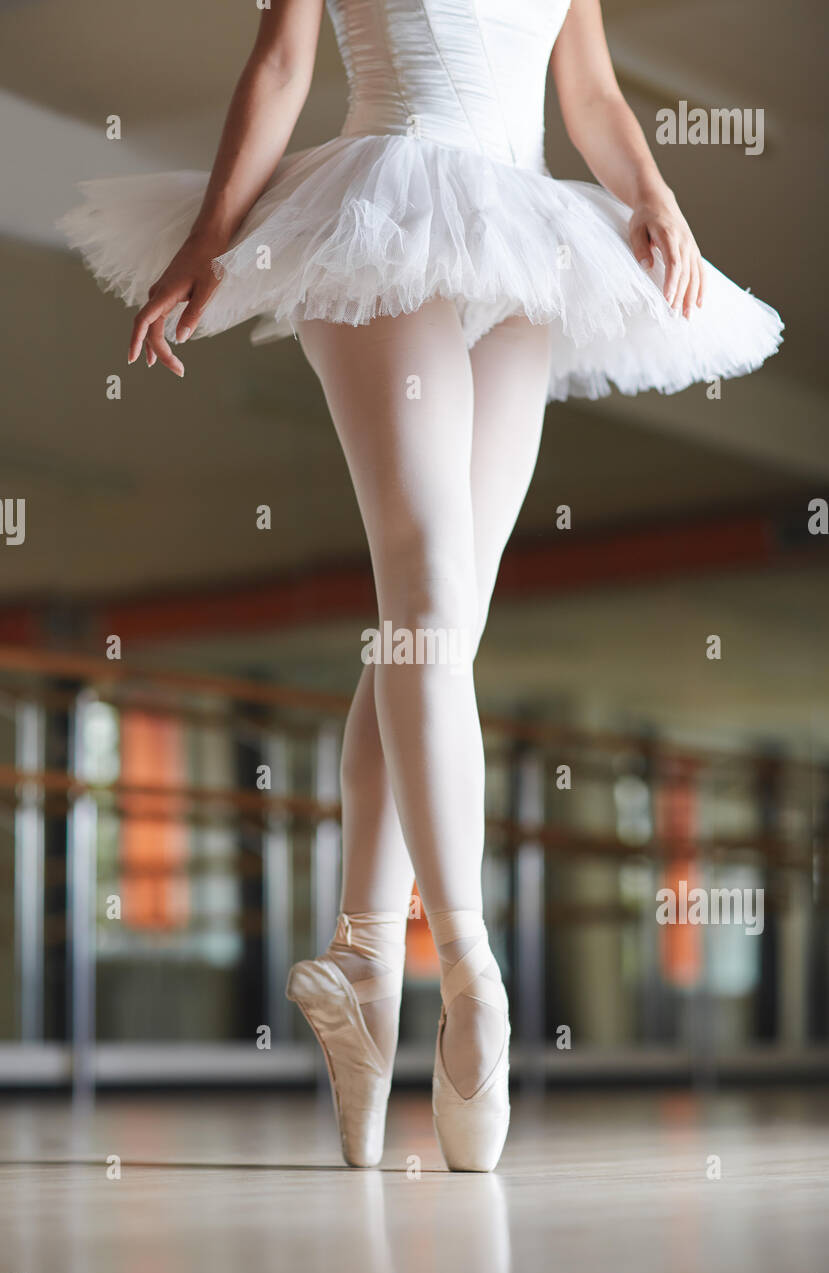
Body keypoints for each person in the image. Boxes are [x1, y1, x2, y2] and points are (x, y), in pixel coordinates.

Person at [59, 0, 783, 1172]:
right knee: (430, 605)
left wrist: (650, 191)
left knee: (430, 627)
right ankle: (470, 970)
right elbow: (284, 57)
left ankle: (361, 964)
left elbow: (588, 89)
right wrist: (211, 236)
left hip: (528, 231)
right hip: (389, 204)